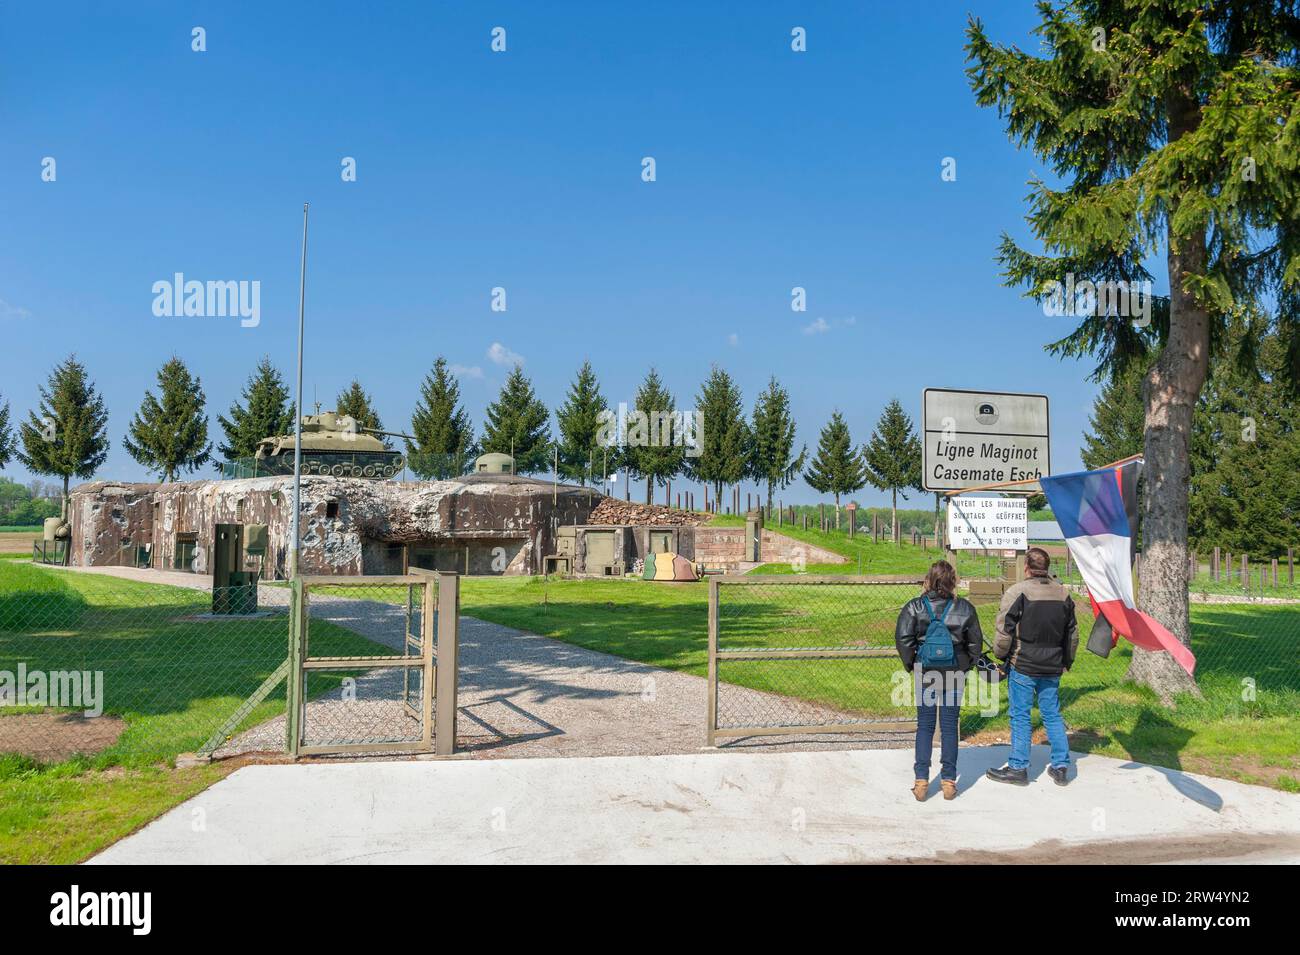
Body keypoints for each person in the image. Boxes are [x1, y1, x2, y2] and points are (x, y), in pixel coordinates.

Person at [986, 547, 1079, 787]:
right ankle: (1060, 765)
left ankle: (1018, 767)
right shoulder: (1063, 594)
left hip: (1024, 663)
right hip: (1053, 665)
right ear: (1047, 567)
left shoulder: (1018, 592)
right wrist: (1067, 660)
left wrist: (1000, 655)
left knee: (1020, 716)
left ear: (1026, 567)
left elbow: (1004, 629)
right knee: (1052, 714)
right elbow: (1072, 633)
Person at [895, 560, 984, 801]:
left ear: (929, 579)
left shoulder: (914, 607)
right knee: (949, 726)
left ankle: (921, 780)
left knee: (924, 725)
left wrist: (912, 664)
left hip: (925, 671)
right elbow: (975, 643)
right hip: (954, 671)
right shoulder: (964, 608)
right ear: (952, 581)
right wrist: (966, 666)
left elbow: (904, 639)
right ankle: (948, 781)